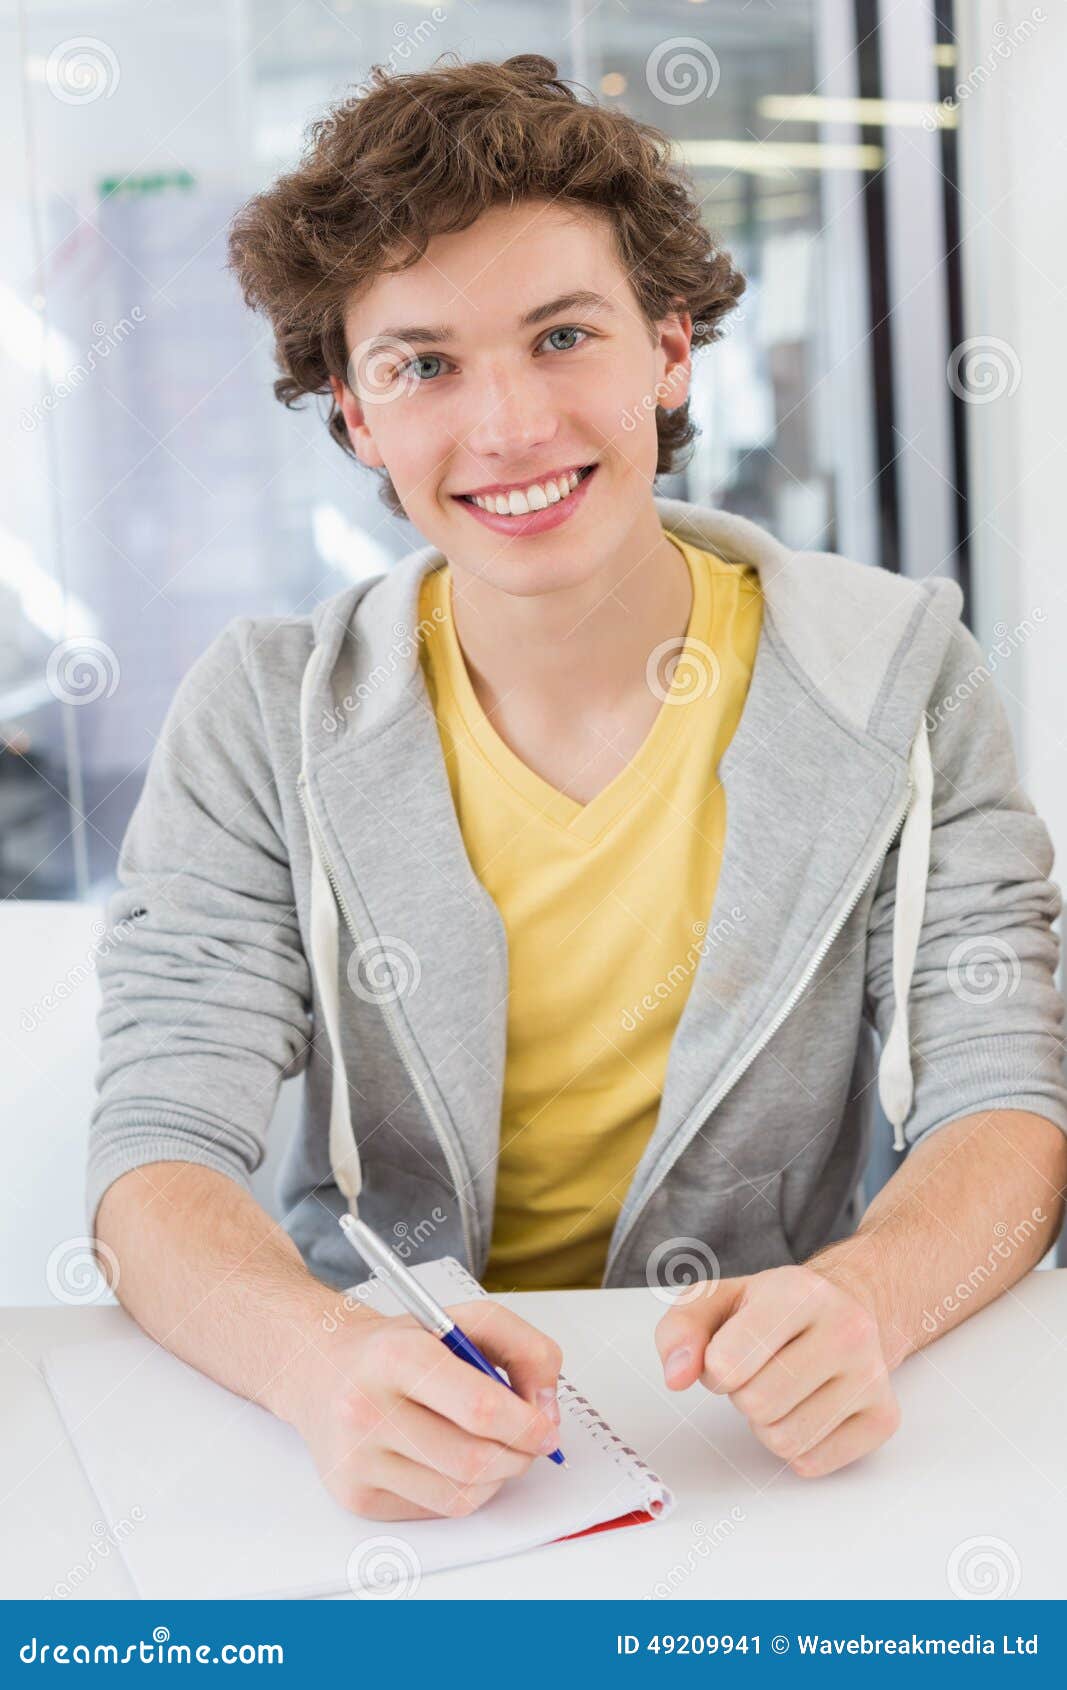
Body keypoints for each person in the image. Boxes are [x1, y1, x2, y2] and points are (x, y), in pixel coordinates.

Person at [88, 54, 1067, 1521]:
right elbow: (156, 1148)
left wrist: (875, 1293)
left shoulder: (902, 676)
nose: (509, 428)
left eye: (561, 336)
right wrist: (317, 1358)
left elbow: (1009, 1096)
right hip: (382, 1431)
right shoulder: (261, 712)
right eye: (423, 363)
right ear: (356, 414)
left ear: (669, 351)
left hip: (756, 1440)